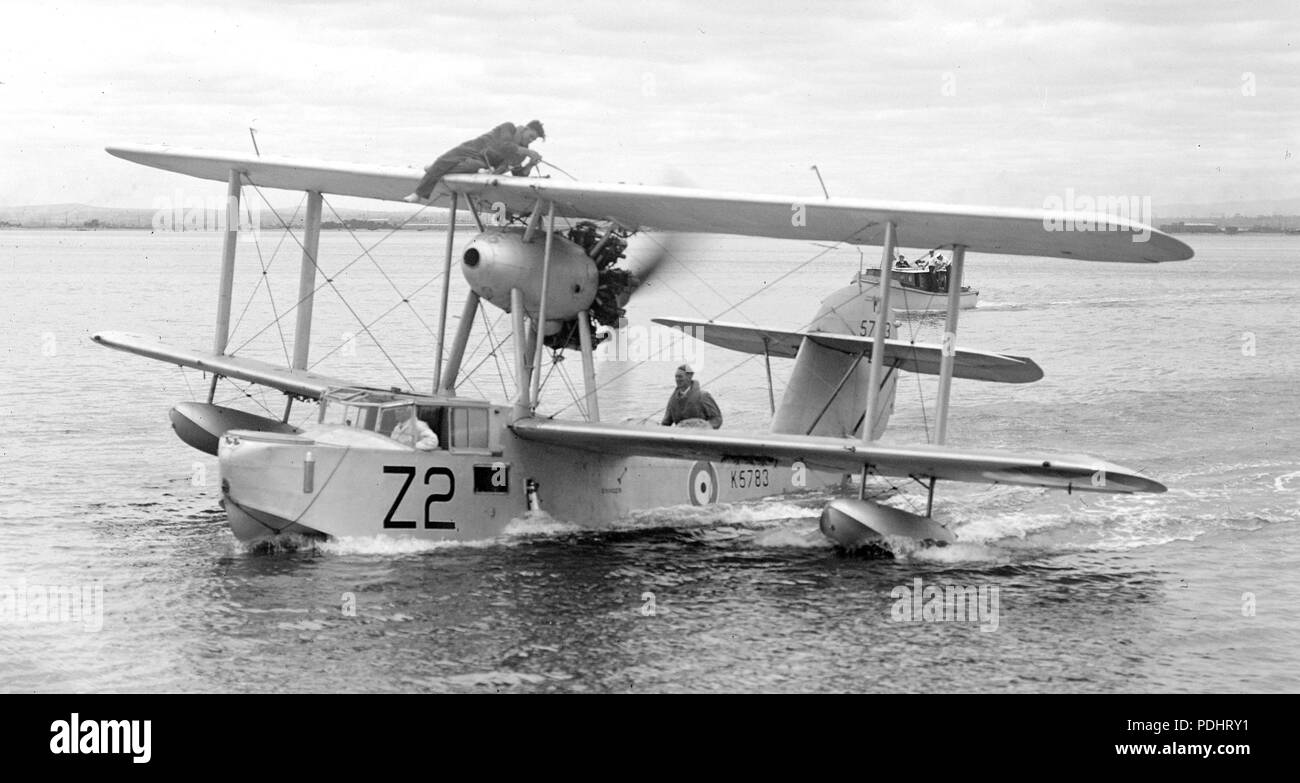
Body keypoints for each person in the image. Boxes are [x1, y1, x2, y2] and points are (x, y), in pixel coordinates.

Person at [405, 120, 545, 202]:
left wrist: (531, 164)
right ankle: (418, 193)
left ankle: (434, 169)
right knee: (445, 160)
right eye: (530, 136)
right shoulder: (509, 127)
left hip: (483, 162)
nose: (530, 140)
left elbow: (518, 175)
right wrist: (527, 152)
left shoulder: (522, 153)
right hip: (474, 147)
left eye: (533, 140)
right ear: (525, 129)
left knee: (473, 165)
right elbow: (505, 144)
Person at [661, 364, 722, 429]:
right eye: (676, 377)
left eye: (680, 376)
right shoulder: (673, 399)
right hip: (680, 434)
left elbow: (717, 419)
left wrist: (705, 426)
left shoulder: (704, 396)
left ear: (689, 376)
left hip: (700, 434)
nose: (677, 379)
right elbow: (666, 423)